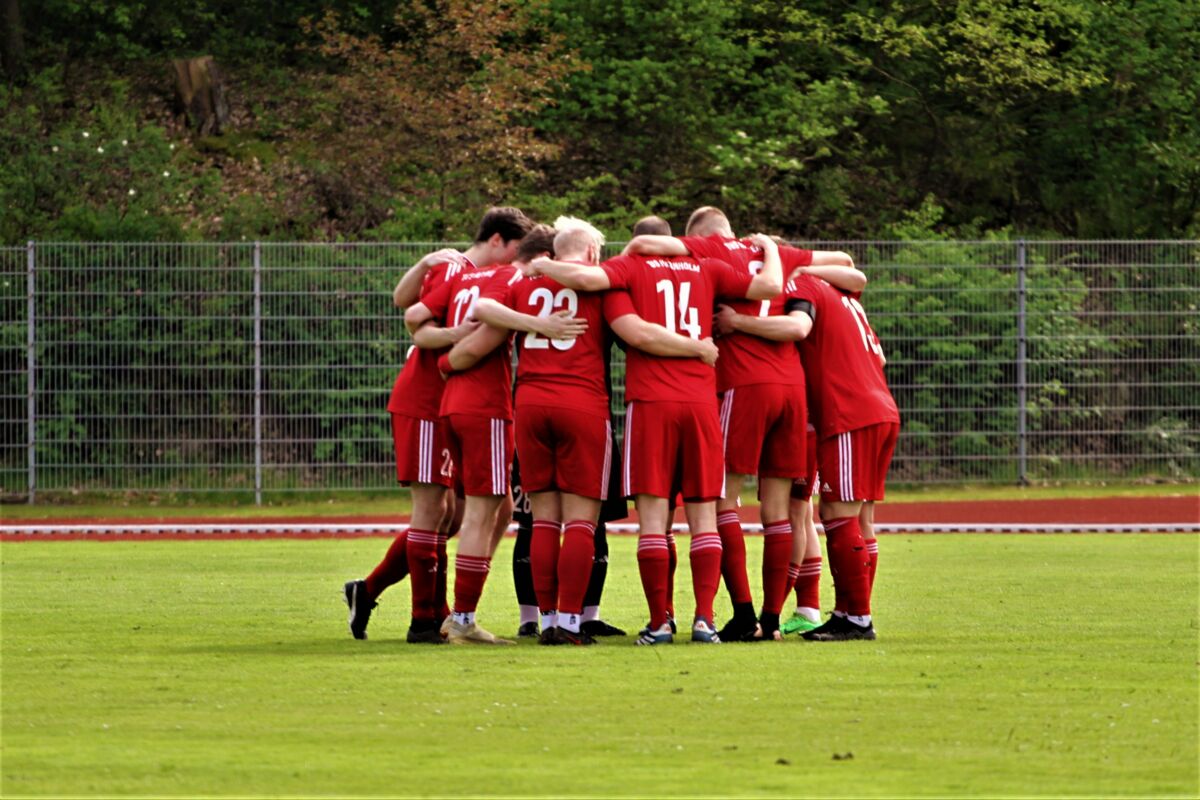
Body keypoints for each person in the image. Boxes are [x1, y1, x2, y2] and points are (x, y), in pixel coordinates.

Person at [525, 233, 782, 645]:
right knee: (703, 520)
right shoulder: (707, 265)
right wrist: (769, 248)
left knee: (652, 524)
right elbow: (769, 286)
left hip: (650, 404)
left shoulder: (627, 270)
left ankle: (659, 622)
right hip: (700, 402)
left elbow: (634, 330)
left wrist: (542, 266)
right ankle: (705, 621)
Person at [625, 207, 862, 641]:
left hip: (742, 384)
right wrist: (773, 246)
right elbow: (847, 264)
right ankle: (773, 620)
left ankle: (743, 612)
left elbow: (647, 245)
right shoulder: (778, 254)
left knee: (721, 502)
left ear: (699, 236)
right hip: (793, 389)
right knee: (781, 512)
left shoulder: (710, 250)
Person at [343, 208, 531, 642]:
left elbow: (409, 308)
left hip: (451, 400)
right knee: (437, 510)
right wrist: (459, 331)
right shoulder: (458, 267)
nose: (515, 264)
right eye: (516, 252)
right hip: (427, 398)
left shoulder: (478, 276)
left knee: (479, 510)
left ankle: (382, 593)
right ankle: (427, 618)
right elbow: (412, 317)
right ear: (499, 240)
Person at [404, 225, 586, 644]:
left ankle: (445, 614)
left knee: (494, 507)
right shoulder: (514, 278)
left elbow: (413, 317)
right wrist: (537, 323)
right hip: (483, 405)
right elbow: (480, 328)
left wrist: (445, 361)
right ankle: (462, 620)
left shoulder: (468, 275)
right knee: (480, 513)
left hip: (450, 403)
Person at [785, 269, 899, 641]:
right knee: (862, 517)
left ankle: (858, 619)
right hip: (879, 408)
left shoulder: (802, 286)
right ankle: (848, 611)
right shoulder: (844, 298)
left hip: (848, 413)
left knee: (837, 513)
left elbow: (798, 328)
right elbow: (879, 358)